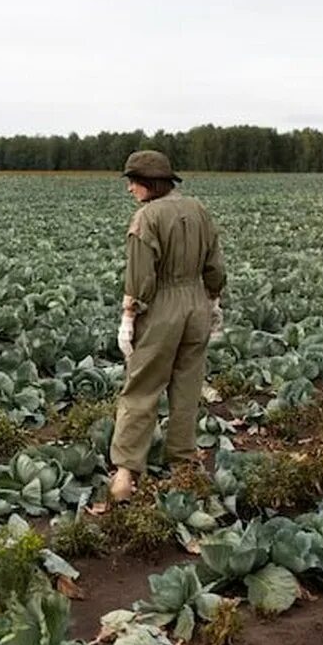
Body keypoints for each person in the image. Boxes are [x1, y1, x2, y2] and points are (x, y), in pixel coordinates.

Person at [109, 151, 225, 501]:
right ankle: (184, 468)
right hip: (196, 306)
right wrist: (213, 300)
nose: (130, 189)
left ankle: (125, 476)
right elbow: (215, 266)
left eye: (133, 182)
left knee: (141, 388)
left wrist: (129, 317)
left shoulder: (146, 218)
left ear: (149, 183)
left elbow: (141, 279)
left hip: (162, 308)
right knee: (187, 388)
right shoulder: (198, 209)